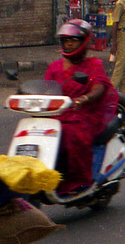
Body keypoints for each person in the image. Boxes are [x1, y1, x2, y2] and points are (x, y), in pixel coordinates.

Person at [44, 20, 119, 195]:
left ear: (84, 42)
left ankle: (79, 181)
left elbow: (99, 86)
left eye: (74, 40)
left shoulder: (93, 64)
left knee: (72, 136)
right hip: (58, 113)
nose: (69, 43)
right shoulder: (54, 67)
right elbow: (45, 87)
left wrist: (84, 98)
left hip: (84, 113)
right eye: (66, 40)